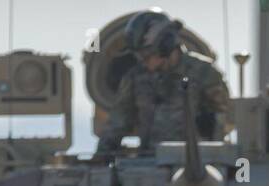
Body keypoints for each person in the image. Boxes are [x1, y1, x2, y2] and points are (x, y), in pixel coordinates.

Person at [95, 9, 231, 156]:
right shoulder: (135, 78)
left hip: (193, 166)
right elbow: (118, 121)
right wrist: (102, 155)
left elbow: (225, 116)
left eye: (147, 55)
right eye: (139, 56)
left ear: (166, 45)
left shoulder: (204, 72)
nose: (143, 62)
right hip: (149, 163)